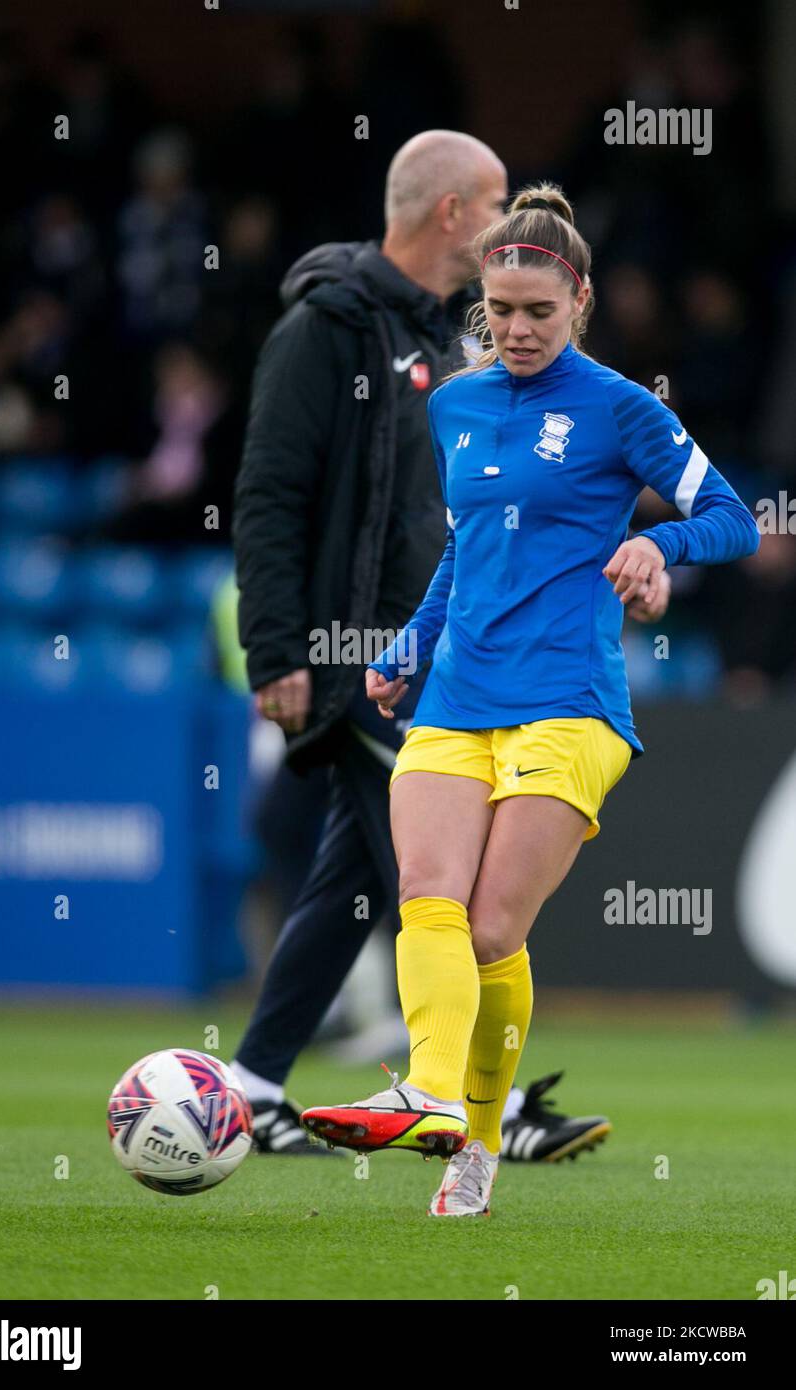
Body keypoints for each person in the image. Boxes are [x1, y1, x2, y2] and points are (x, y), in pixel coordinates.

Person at [301, 183, 760, 1215]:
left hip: (569, 700)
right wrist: (410, 643)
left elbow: (731, 516)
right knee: (425, 889)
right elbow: (471, 547)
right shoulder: (454, 402)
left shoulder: (620, 407)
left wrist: (653, 543)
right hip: (458, 692)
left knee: (490, 929)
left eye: (536, 313)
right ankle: (430, 1094)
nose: (513, 329)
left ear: (579, 303)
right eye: (498, 310)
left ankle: (478, 1143)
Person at [232, 136, 668, 1164]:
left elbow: (464, 527)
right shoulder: (322, 331)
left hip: (450, 648)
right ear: (451, 216)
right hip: (370, 658)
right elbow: (267, 491)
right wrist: (274, 647)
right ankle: (484, 1108)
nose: (508, 227)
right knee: (441, 893)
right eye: (494, 205)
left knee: (357, 879)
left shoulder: (456, 349)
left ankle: (252, 1082)